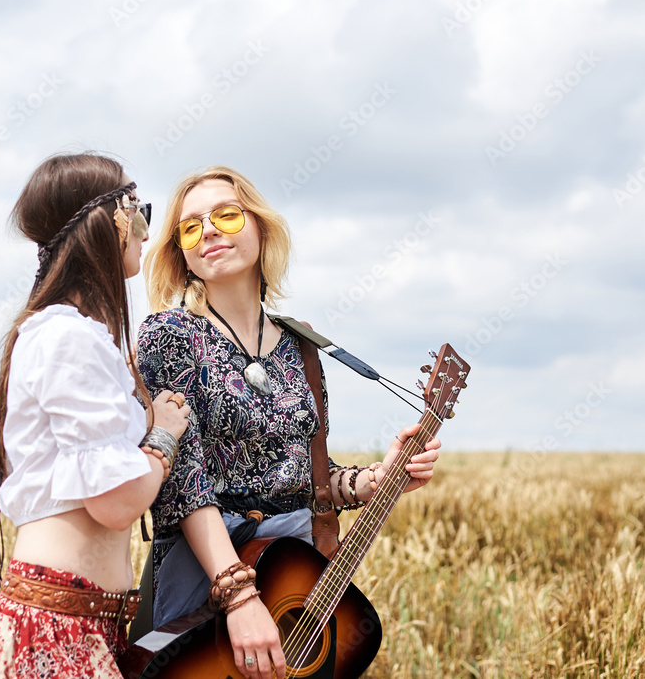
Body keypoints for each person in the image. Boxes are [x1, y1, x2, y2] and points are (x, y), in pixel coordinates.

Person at [135, 166, 441, 679]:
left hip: (295, 569)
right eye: (190, 227)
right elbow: (182, 479)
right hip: (207, 564)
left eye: (226, 216)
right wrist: (237, 596)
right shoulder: (170, 334)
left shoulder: (304, 345)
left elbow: (303, 473)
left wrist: (373, 480)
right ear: (179, 251)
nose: (208, 230)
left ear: (260, 228)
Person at [0, 153, 191, 678]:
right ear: (106, 222)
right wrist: (162, 435)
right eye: (138, 213)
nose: (145, 233)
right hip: (55, 627)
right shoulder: (68, 335)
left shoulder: (78, 335)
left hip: (75, 623)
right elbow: (116, 502)